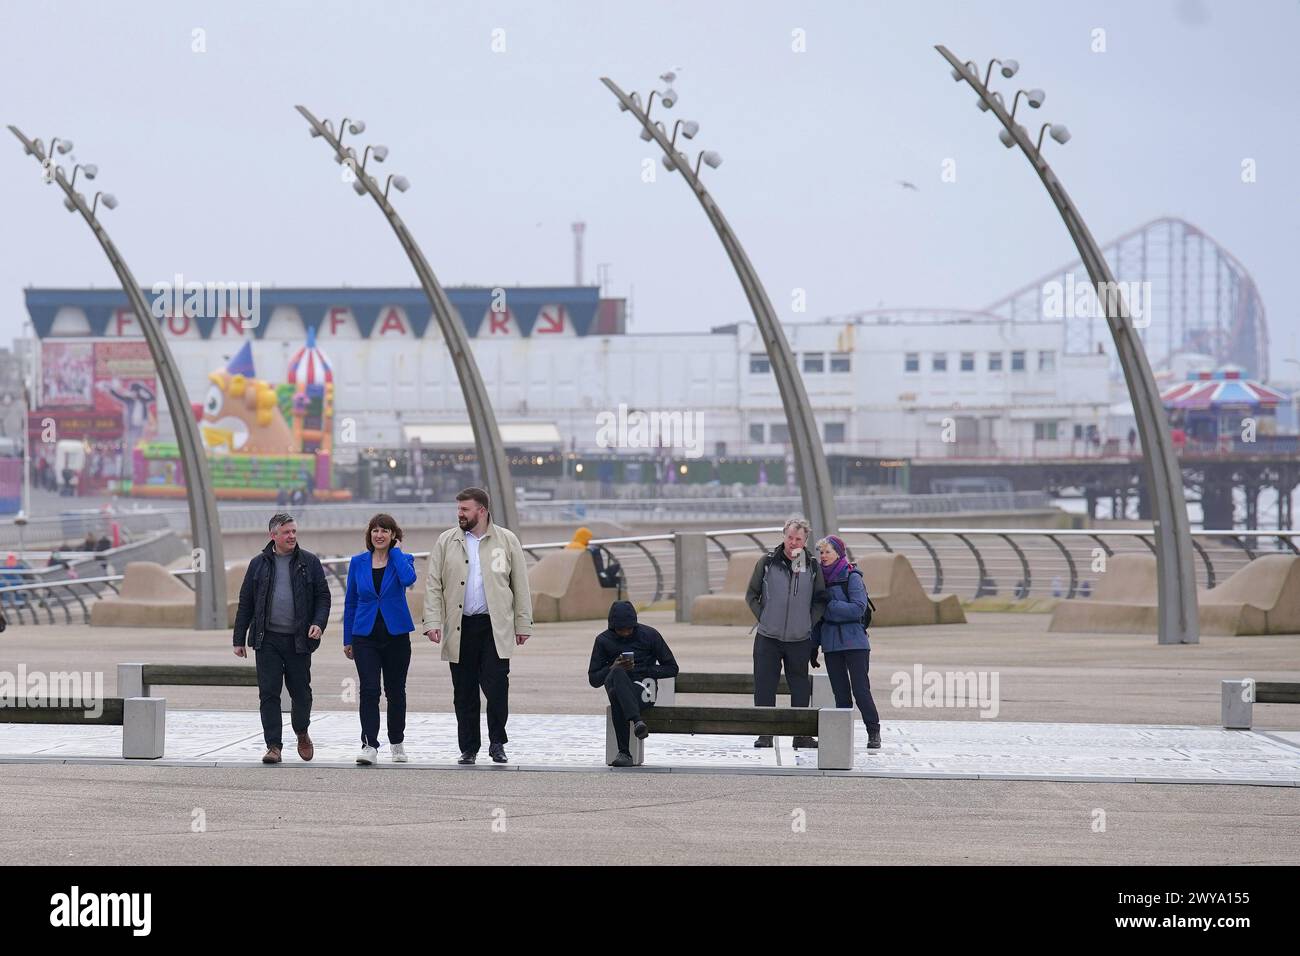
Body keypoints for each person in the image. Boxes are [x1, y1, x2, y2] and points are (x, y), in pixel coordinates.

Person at [422, 488, 533, 765]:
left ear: (481, 511)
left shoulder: (507, 540)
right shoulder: (446, 541)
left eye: (465, 509)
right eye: (458, 509)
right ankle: (469, 747)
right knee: (464, 691)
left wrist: (523, 623)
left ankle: (497, 743)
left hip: (495, 628)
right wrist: (432, 621)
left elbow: (520, 585)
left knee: (496, 687)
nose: (459, 514)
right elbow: (433, 585)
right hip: (460, 627)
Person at [232, 513, 331, 764]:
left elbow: (323, 597)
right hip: (267, 640)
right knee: (269, 693)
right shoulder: (258, 564)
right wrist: (238, 638)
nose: (292, 536)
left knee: (301, 693)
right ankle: (273, 746)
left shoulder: (309, 562)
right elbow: (246, 602)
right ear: (273, 535)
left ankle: (301, 731)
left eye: (294, 532)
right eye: (286, 532)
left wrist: (318, 624)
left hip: (299, 640)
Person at [745, 515, 828, 749]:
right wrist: (764, 616)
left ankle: (800, 734)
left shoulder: (811, 566)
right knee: (764, 685)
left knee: (800, 686)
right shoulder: (767, 562)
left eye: (798, 539)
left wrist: (808, 622)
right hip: (768, 637)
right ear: (784, 536)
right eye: (790, 537)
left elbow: (820, 600)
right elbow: (751, 594)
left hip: (799, 638)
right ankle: (765, 733)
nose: (793, 542)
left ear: (805, 540)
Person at [343, 514, 417, 766]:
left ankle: (396, 742)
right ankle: (369, 745)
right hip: (364, 636)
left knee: (395, 691)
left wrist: (395, 553)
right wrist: (347, 639)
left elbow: (409, 580)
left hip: (396, 634)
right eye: (375, 530)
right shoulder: (357, 562)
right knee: (369, 690)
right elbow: (351, 601)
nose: (379, 535)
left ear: (393, 535)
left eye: (385, 530)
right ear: (369, 535)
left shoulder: (403, 560)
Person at [588, 600, 679, 767]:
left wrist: (642, 669)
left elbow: (672, 668)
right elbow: (594, 679)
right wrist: (612, 667)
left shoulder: (650, 635)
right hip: (619, 686)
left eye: (629, 629)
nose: (625, 633)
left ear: (634, 625)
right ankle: (637, 722)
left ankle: (624, 753)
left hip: (644, 689)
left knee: (617, 697)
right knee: (617, 675)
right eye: (620, 630)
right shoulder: (603, 640)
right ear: (612, 627)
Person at [811, 535, 881, 749]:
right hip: (831, 645)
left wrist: (830, 605)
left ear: (839, 554)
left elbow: (858, 608)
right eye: (821, 552)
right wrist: (813, 645)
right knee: (840, 694)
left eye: (827, 552)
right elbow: (817, 618)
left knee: (861, 690)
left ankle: (873, 731)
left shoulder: (852, 577)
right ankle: (844, 736)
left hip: (855, 644)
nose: (823, 556)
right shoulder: (818, 580)